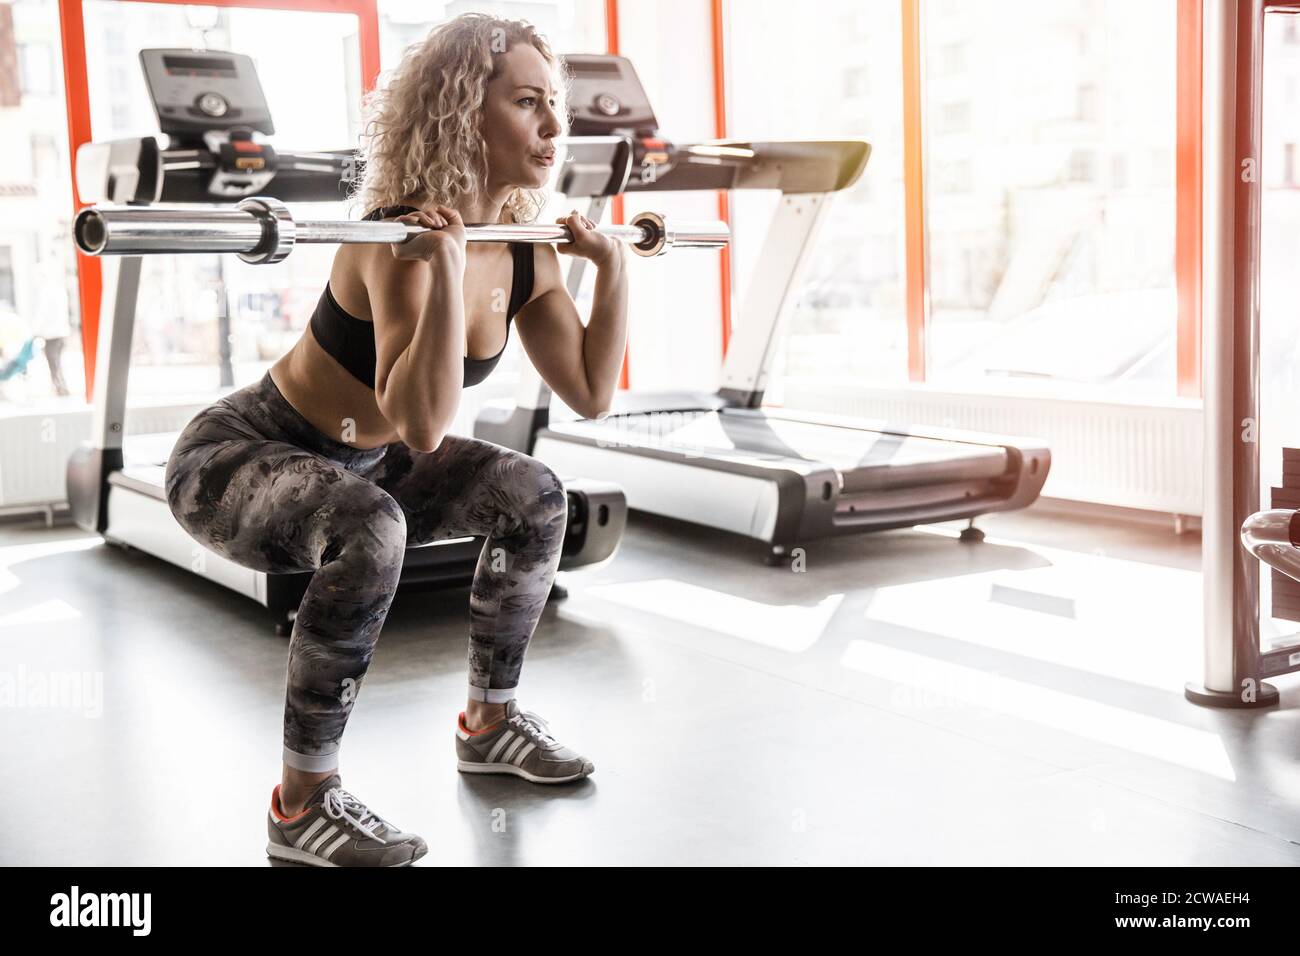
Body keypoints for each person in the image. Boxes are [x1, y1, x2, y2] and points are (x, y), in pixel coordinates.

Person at [163, 13, 628, 867]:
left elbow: (593, 393)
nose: (555, 129)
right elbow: (421, 422)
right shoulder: (396, 236)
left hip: (363, 462)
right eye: (529, 104)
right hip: (239, 457)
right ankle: (301, 805)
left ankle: (490, 724)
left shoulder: (526, 250)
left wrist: (615, 269)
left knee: (536, 496)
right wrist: (446, 271)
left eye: (554, 105)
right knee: (372, 524)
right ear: (462, 115)